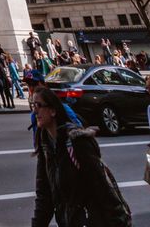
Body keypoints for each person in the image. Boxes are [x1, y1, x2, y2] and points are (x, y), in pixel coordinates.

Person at [30, 86, 132, 227]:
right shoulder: (45, 146)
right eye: (33, 105)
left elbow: (101, 186)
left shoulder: (76, 142)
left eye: (38, 105)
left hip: (91, 221)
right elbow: (44, 196)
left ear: (53, 110)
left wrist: (119, 221)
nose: (34, 111)